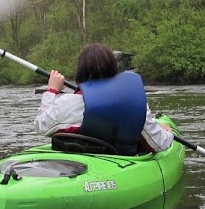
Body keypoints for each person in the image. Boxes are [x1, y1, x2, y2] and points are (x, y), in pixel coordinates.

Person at [34, 43, 174, 155]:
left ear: (80, 73)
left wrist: (51, 90)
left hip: (78, 167)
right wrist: (169, 133)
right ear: (114, 71)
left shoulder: (67, 103)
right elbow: (160, 144)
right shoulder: (133, 103)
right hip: (120, 165)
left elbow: (41, 126)